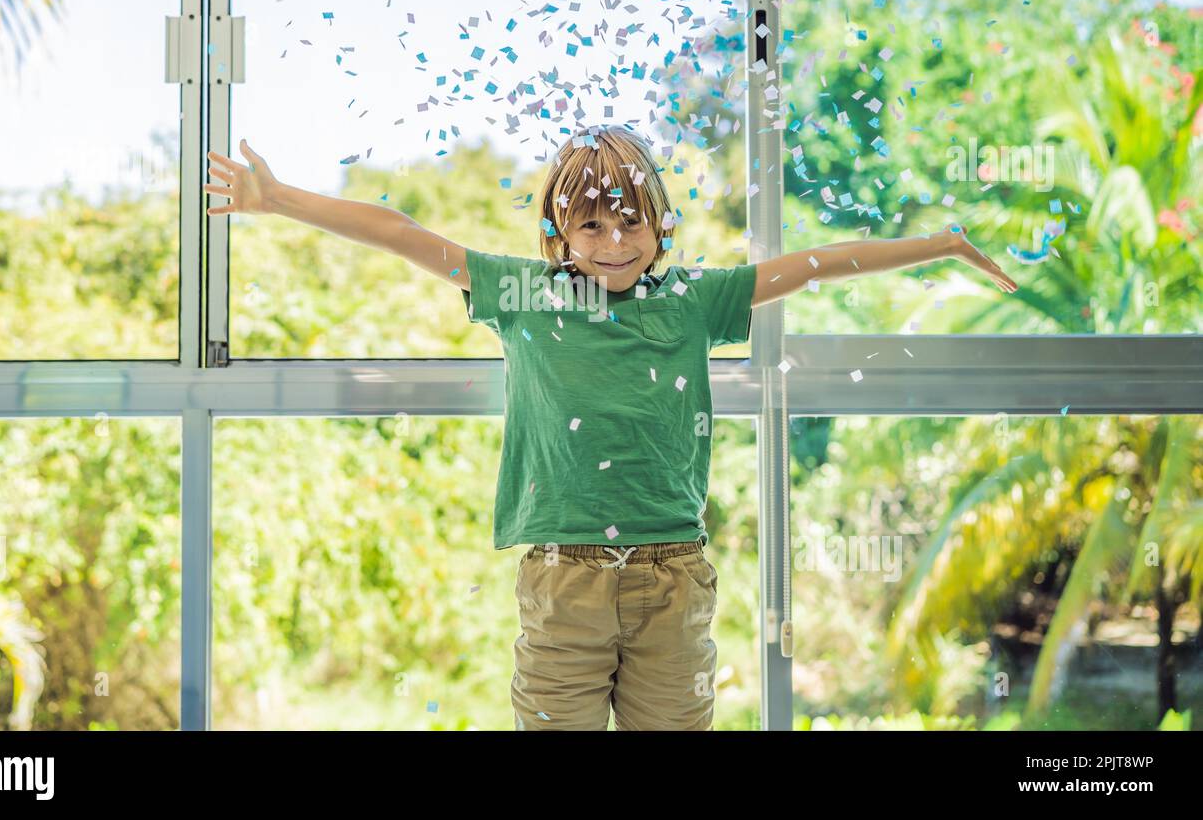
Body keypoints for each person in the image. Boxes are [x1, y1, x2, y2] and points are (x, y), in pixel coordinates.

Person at [204, 124, 1017, 730]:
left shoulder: (697, 300)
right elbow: (403, 234)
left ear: (662, 227)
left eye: (632, 223)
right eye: (592, 226)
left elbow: (817, 262)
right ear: (557, 237)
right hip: (564, 583)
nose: (615, 242)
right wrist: (277, 199)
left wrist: (938, 245)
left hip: (674, 580)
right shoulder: (524, 295)